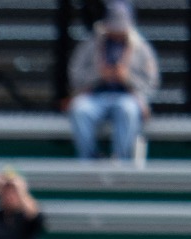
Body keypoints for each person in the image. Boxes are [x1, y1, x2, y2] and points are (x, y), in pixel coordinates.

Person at [68, 2, 159, 162]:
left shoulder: (142, 48)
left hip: (127, 96)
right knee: (80, 109)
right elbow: (75, 75)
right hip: (95, 96)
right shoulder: (91, 44)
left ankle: (120, 160)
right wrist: (99, 75)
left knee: (128, 110)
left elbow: (151, 83)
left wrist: (126, 78)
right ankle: (89, 159)